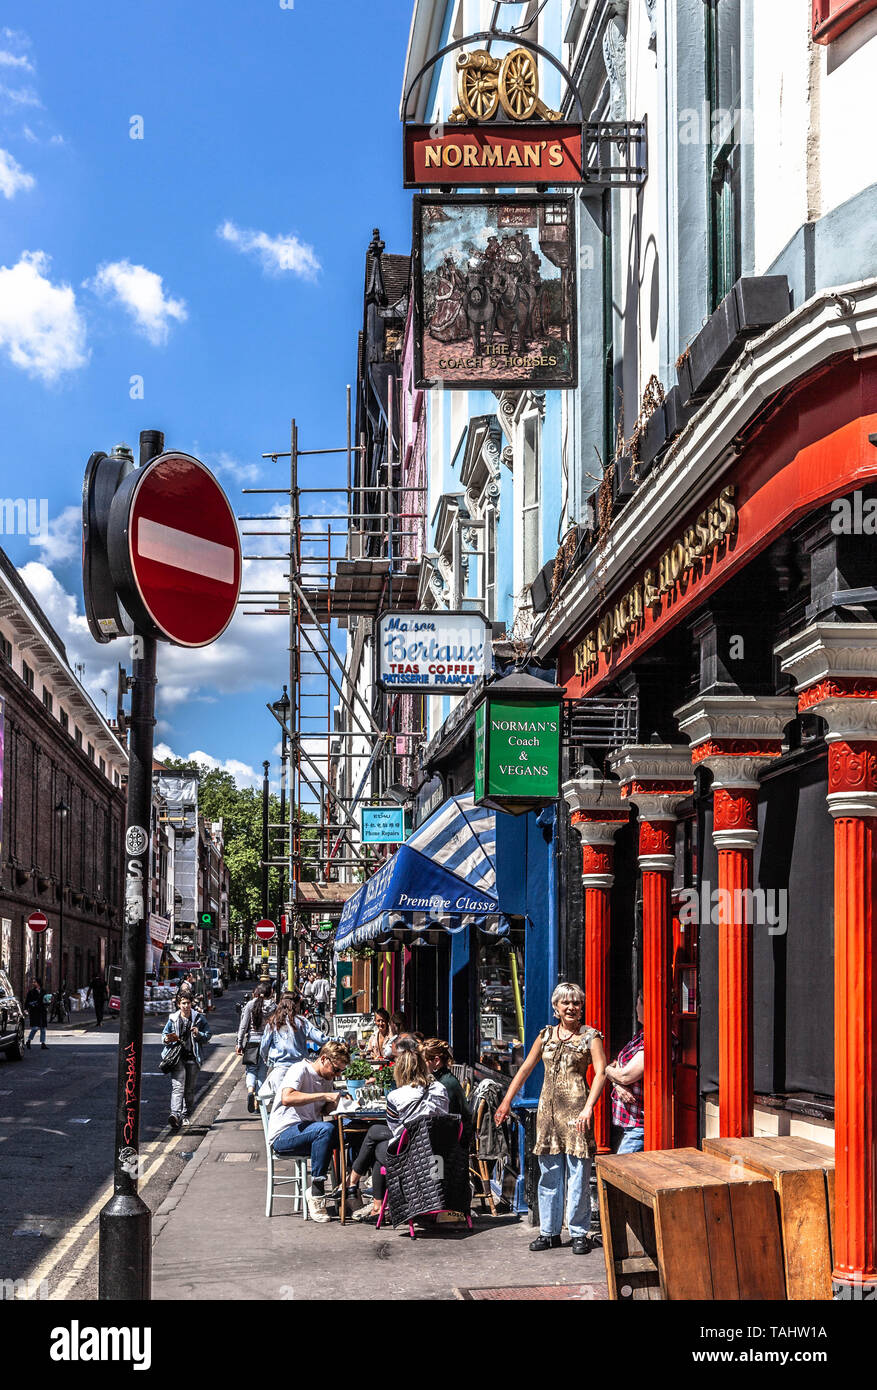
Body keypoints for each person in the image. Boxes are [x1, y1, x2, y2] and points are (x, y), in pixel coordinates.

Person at [495, 982, 606, 1256]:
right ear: (556, 1008)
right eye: (565, 1003)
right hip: (549, 1114)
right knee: (549, 1174)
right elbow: (525, 1069)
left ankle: (578, 1232)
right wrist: (506, 1101)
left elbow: (601, 1072)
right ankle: (549, 1232)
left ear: (581, 1007)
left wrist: (589, 1108)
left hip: (577, 1112)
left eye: (576, 1003)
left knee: (578, 1175)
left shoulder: (590, 1036)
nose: (571, 1007)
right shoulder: (545, 1036)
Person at [346, 1040, 449, 1223]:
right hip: (438, 1153)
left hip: (412, 1159)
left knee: (379, 1147)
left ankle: (368, 1199)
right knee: (376, 1133)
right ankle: (372, 1201)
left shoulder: (396, 1096)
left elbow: (395, 1129)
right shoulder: (441, 1089)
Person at [264, 1041, 350, 1222]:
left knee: (352, 1128)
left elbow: (324, 1112)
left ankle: (349, 1189)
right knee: (324, 1130)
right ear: (324, 1059)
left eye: (341, 1071)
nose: (337, 1074)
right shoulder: (300, 1069)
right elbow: (287, 1097)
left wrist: (336, 1099)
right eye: (336, 1070)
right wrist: (324, 1095)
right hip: (284, 1135)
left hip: (311, 1132)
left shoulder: (327, 1079)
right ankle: (317, 1192)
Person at [162, 992, 212, 1131]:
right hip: (177, 1058)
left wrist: (198, 1034)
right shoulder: (173, 1019)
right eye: (183, 1003)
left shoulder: (199, 1019)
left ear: (191, 1003)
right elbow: (164, 1035)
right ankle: (175, 1115)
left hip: (192, 1058)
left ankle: (185, 1114)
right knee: (178, 1088)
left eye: (188, 1003)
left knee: (189, 1090)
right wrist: (166, 1039)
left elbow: (208, 1035)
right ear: (179, 1004)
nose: (186, 1006)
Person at [605, 989, 644, 1153]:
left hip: (640, 1126)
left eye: (638, 1002)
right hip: (631, 1124)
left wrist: (608, 1071)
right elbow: (618, 1068)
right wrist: (616, 1083)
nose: (636, 1008)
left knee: (618, 1174)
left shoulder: (654, 1039)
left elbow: (625, 1075)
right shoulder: (641, 1035)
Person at [260, 994, 327, 1080]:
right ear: (295, 1005)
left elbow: (264, 1045)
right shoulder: (302, 1021)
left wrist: (266, 1059)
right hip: (299, 1068)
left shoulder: (273, 1022)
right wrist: (339, 1041)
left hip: (280, 1069)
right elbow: (320, 1039)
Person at [423, 1037, 472, 1146]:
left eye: (424, 1061)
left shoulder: (445, 1084)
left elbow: (441, 1117)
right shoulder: (440, 1078)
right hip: (447, 1133)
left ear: (436, 1060)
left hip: (452, 1141)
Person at [236, 984, 272, 1112]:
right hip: (267, 1043)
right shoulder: (273, 1007)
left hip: (252, 1042)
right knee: (262, 1073)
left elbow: (243, 1026)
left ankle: (250, 1091)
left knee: (251, 1070)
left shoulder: (250, 1005)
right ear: (270, 993)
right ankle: (259, 1104)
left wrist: (239, 1043)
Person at [25, 978, 48, 1049]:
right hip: (34, 1012)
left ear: (38, 983)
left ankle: (43, 1043)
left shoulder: (44, 991)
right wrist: (26, 1009)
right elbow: (27, 1002)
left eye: (35, 982)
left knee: (43, 1029)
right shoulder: (31, 992)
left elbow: (46, 1000)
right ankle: (28, 1041)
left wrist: (48, 1003)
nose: (33, 983)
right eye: (33, 982)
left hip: (42, 1011)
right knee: (35, 1028)